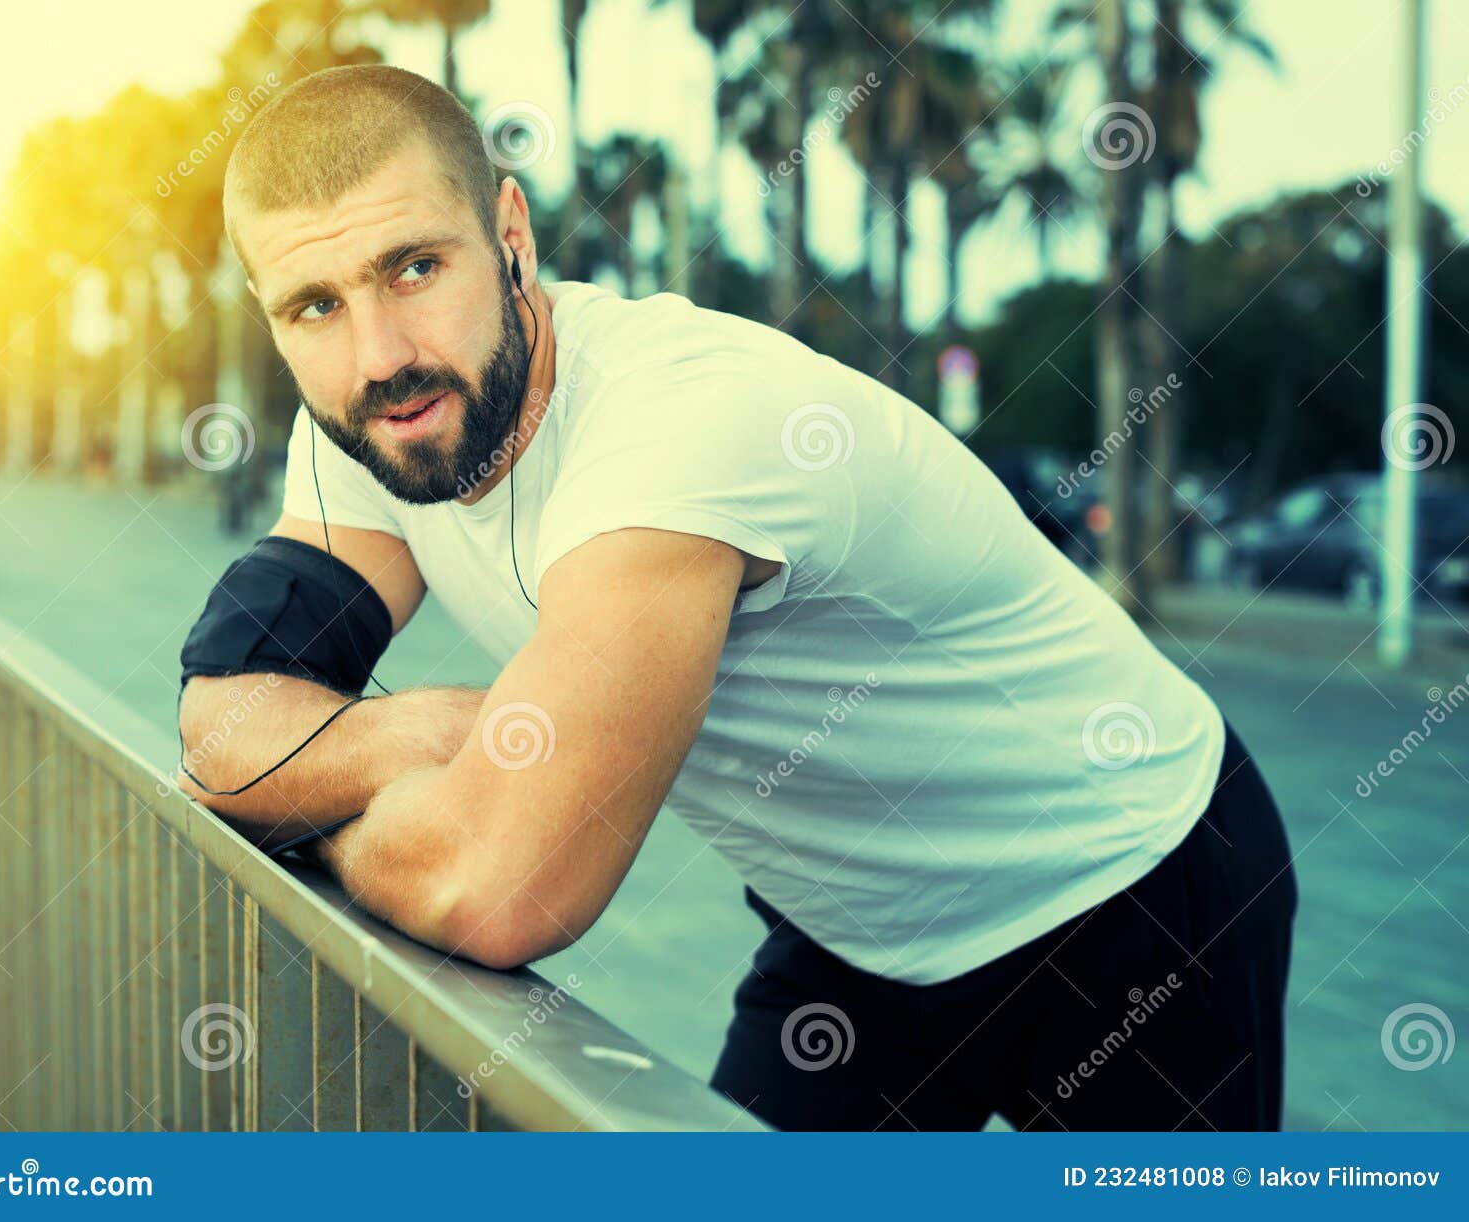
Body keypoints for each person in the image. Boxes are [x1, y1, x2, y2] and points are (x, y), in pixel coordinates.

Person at [175, 65, 1298, 1132]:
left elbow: (499, 889)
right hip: (854, 936)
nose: (378, 354)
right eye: (312, 305)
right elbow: (226, 714)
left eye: (415, 267)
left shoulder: (671, 434)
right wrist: (405, 740)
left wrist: (302, 810)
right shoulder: (369, 430)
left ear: (510, 236)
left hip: (1132, 883)